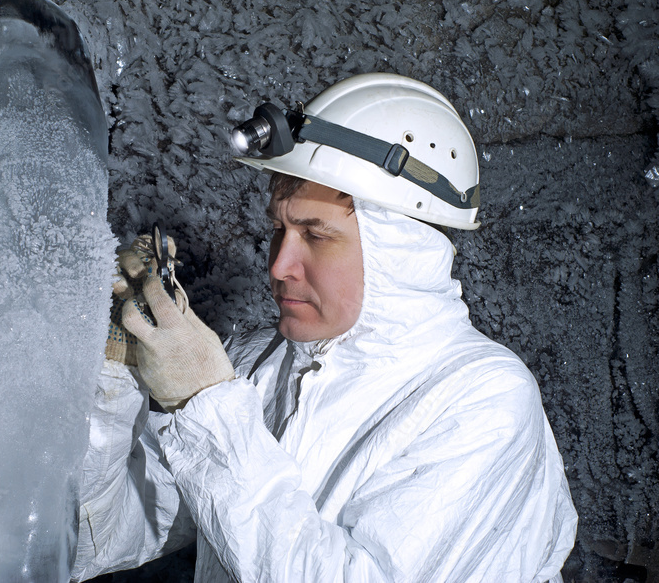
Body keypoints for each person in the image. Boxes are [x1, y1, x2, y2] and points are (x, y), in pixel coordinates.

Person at [72, 73, 578, 582]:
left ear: (399, 250)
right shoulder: (255, 366)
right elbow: (98, 542)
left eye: (315, 234)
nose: (279, 265)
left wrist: (203, 401)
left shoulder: (482, 398)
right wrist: (117, 376)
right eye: (278, 230)